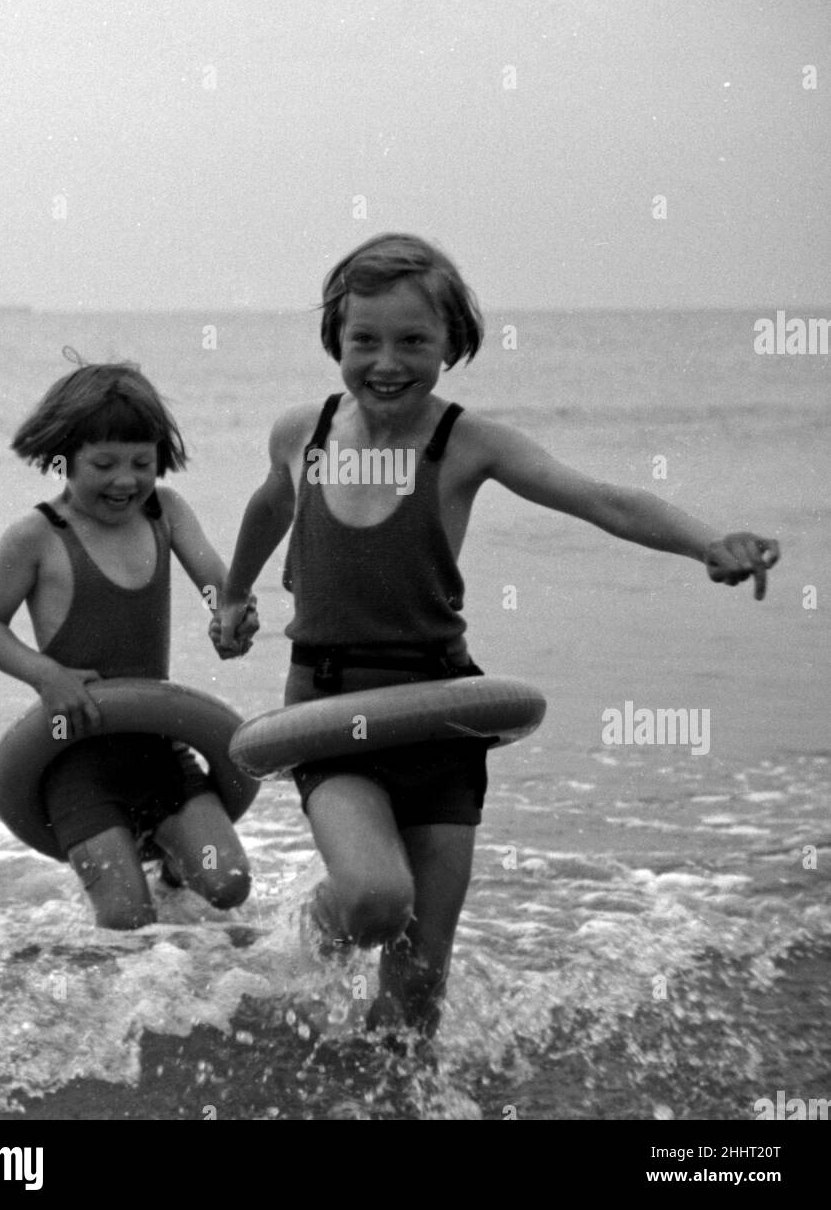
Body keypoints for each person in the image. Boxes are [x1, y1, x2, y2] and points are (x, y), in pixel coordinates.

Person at [214, 233, 780, 1039]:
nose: (387, 361)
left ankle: (392, 1095)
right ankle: (294, 951)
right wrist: (235, 596)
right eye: (363, 340)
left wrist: (707, 544)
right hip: (329, 707)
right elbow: (271, 504)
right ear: (334, 342)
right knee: (375, 900)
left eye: (414, 340)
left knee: (418, 971)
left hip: (441, 710)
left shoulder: (466, 444)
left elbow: (601, 500)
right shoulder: (301, 433)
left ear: (453, 343)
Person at [0, 358, 258, 930]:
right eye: (103, 464)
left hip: (157, 750)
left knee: (228, 885)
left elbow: (221, 588)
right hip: (76, 762)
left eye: (141, 463)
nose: (125, 480)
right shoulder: (36, 536)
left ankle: (175, 866)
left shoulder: (166, 513)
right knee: (127, 918)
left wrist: (233, 617)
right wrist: (46, 675)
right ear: (62, 457)